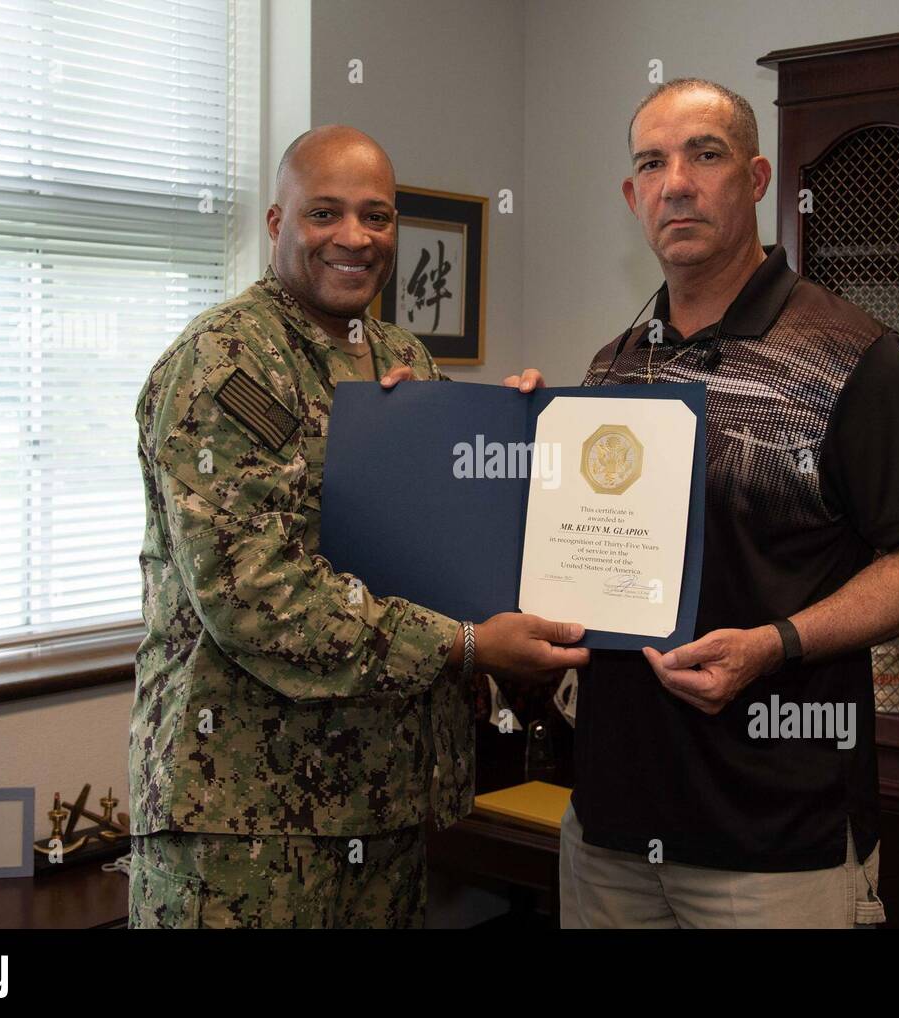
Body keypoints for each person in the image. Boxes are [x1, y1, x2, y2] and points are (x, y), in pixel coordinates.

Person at [129, 125, 587, 928]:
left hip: (382, 805)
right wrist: (469, 646)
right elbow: (255, 597)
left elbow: (445, 558)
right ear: (277, 224)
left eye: (376, 217)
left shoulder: (400, 358)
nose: (355, 238)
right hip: (251, 820)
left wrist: (522, 442)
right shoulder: (227, 363)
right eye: (325, 214)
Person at [556, 79, 899, 928]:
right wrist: (525, 438)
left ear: (754, 179)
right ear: (632, 196)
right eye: (652, 162)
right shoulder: (611, 366)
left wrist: (774, 645)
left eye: (704, 154)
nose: (676, 181)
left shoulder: (853, 356)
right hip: (609, 833)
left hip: (777, 844)